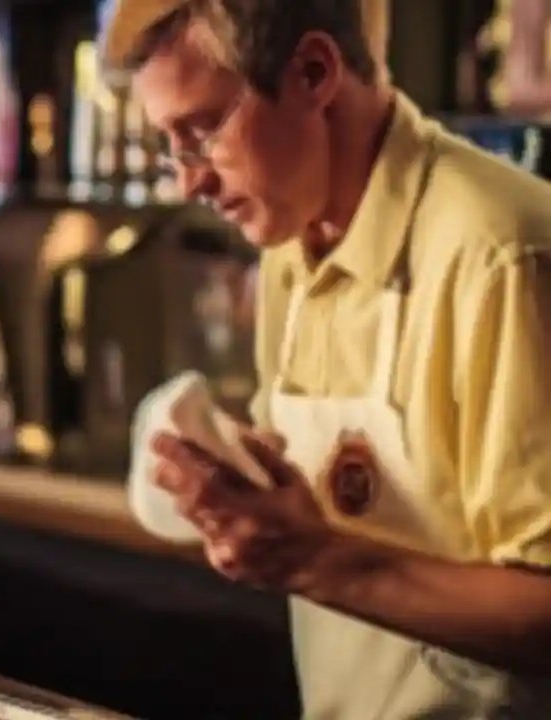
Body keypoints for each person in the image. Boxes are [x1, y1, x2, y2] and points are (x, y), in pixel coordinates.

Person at [99, 0, 551, 717]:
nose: (189, 182)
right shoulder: (289, 241)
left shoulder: (500, 254)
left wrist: (311, 559)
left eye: (203, 130)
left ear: (314, 72)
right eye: (171, 143)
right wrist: (241, 493)